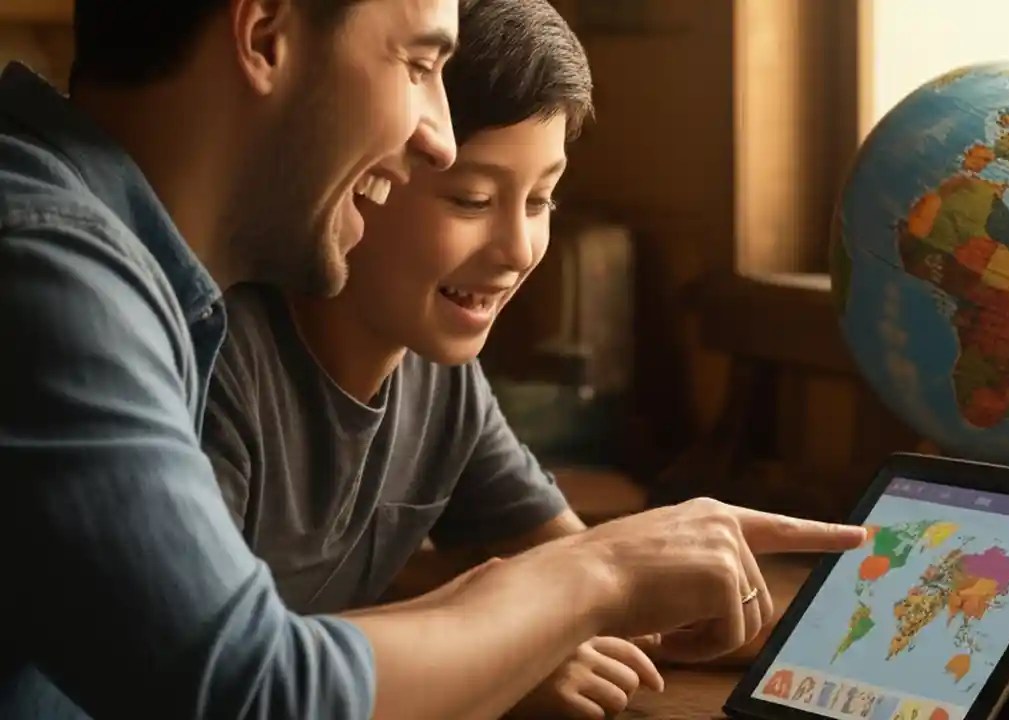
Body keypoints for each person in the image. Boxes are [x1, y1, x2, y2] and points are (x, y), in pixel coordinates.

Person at [0, 0, 867, 717]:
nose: (439, 136)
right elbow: (250, 688)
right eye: (419, 64)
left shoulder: (132, 276)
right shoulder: (47, 268)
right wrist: (589, 578)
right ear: (264, 33)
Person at [200, 1, 651, 716]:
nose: (518, 251)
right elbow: (223, 672)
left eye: (541, 200)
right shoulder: (218, 359)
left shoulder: (440, 377)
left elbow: (578, 570)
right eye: (472, 200)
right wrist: (488, 659)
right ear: (365, 170)